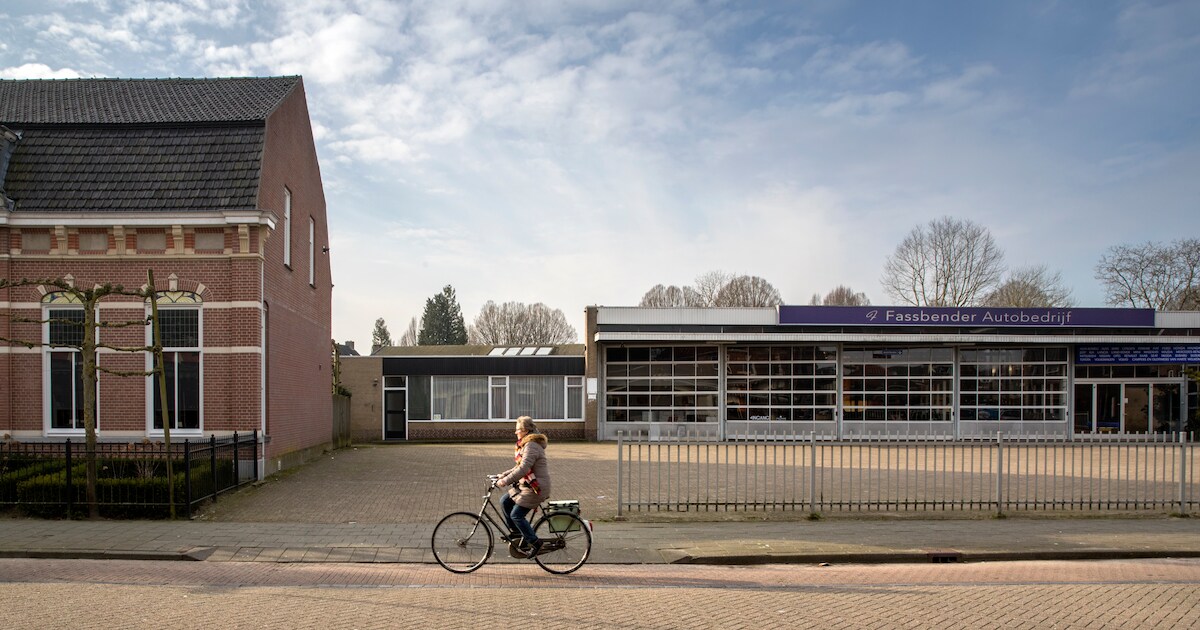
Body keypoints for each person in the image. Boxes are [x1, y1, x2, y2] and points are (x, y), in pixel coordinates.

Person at [496, 415, 551, 556]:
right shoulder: (526, 444)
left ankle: (535, 542)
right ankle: (518, 534)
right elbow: (519, 466)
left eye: (518, 430)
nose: (516, 432)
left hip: (536, 488)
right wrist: (503, 475)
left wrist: (505, 481)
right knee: (504, 501)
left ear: (526, 430)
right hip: (527, 485)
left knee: (516, 515)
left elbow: (524, 468)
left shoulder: (532, 445)